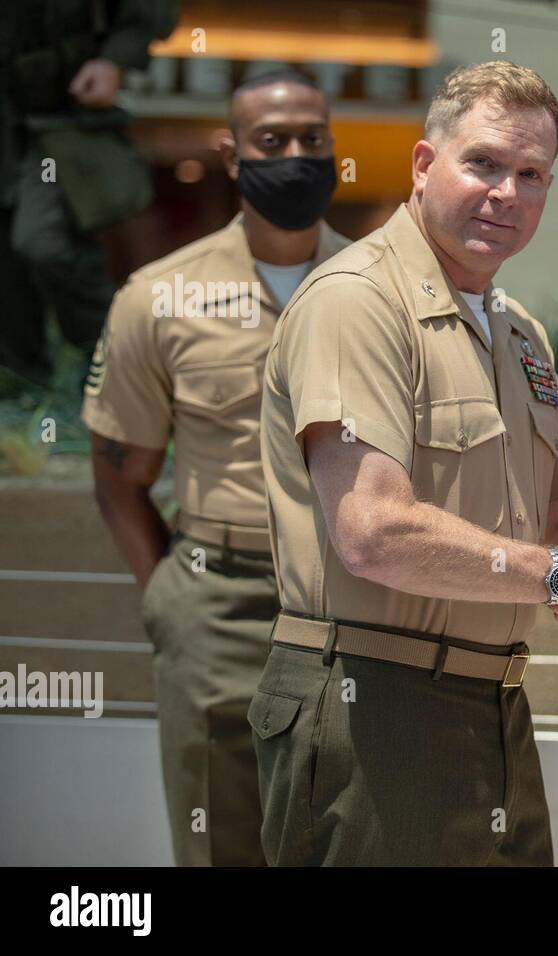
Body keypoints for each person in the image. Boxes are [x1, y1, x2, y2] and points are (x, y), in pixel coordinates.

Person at [252, 60, 558, 866]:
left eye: (531, 174)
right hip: (370, 703)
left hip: (493, 701)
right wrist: (557, 576)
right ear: (422, 164)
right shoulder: (357, 301)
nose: (506, 192)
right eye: (483, 163)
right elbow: (372, 532)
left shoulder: (520, 336)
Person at [80, 70, 350, 866]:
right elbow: (117, 474)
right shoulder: (158, 299)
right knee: (220, 845)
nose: (295, 156)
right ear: (232, 155)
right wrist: (169, 599)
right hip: (219, 601)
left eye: (313, 139)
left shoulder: (387, 292)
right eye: (272, 142)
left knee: (359, 838)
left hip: (357, 601)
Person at [0, 0, 178, 391]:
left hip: (64, 114)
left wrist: (114, 60)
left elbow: (151, 9)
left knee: (42, 240)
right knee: (8, 259)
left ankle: (109, 355)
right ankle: (24, 384)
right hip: (11, 120)